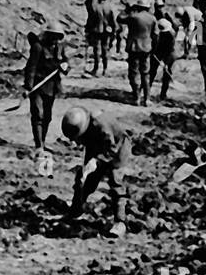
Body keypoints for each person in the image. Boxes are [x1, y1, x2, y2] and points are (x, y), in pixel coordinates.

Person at [60, 106, 131, 236]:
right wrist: (89, 164)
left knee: (116, 183)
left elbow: (111, 148)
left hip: (117, 148)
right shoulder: (85, 123)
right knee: (84, 176)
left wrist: (96, 161)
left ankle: (120, 222)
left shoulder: (101, 126)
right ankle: (76, 210)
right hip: (97, 145)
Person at [23, 21, 69, 156]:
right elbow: (30, 68)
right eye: (53, 36)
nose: (55, 40)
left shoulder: (60, 48)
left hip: (52, 86)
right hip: (38, 86)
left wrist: (65, 66)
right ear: (47, 35)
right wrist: (28, 87)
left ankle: (42, 141)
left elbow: (65, 62)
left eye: (58, 37)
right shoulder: (38, 47)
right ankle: (38, 146)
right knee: (38, 114)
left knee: (47, 116)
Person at [124, 0, 156, 107]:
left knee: (133, 73)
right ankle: (147, 99)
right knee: (145, 74)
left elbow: (119, 18)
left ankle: (136, 98)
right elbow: (155, 35)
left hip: (134, 48)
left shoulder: (133, 17)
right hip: (146, 48)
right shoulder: (152, 18)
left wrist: (128, 9)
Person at [149, 16, 180, 101]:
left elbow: (169, 48)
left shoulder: (171, 35)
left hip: (169, 53)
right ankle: (146, 91)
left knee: (167, 73)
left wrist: (165, 63)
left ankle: (163, 94)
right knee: (152, 71)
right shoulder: (157, 32)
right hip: (158, 51)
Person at [82, 0, 105, 75]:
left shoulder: (95, 6)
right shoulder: (102, 5)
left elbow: (92, 17)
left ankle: (95, 68)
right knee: (100, 49)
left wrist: (89, 28)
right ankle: (100, 68)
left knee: (96, 49)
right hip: (101, 29)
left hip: (95, 30)